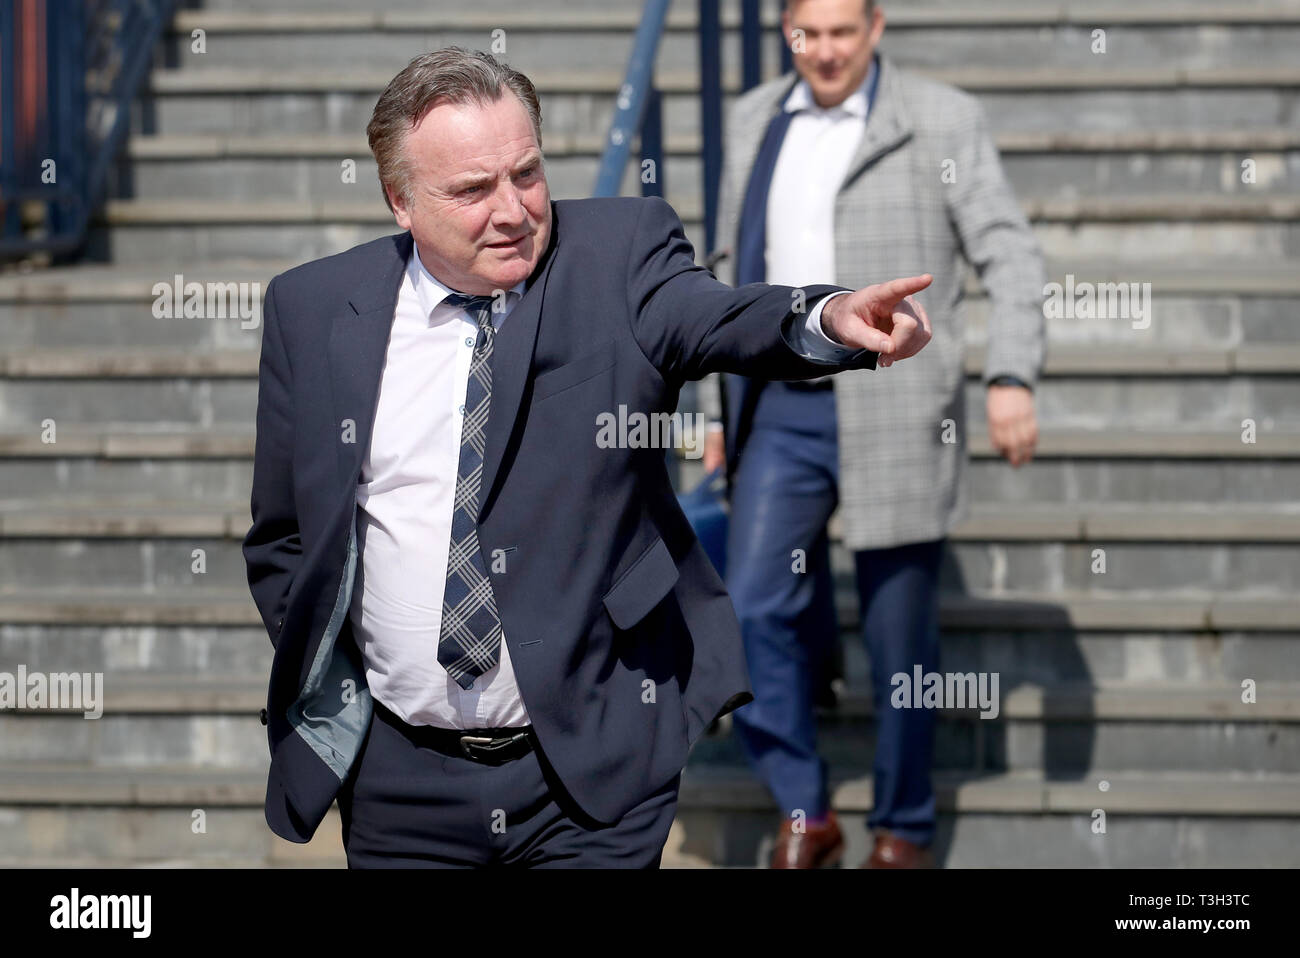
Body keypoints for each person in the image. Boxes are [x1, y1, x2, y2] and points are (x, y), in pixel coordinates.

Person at [242, 46, 938, 868]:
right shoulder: (316, 308)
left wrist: (823, 318)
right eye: (471, 190)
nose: (512, 210)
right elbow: (286, 537)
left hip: (592, 768)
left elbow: (712, 315)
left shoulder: (617, 256)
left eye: (526, 174)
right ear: (401, 200)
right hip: (401, 780)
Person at [702, 0, 1045, 868]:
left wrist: (1010, 375)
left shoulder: (940, 119)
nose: (824, 52)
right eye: (806, 34)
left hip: (900, 406)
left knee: (901, 640)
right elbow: (723, 269)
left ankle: (904, 828)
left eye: (842, 33)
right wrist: (711, 408)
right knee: (750, 604)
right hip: (780, 400)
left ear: (877, 27)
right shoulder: (752, 119)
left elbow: (1006, 249)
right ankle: (805, 814)